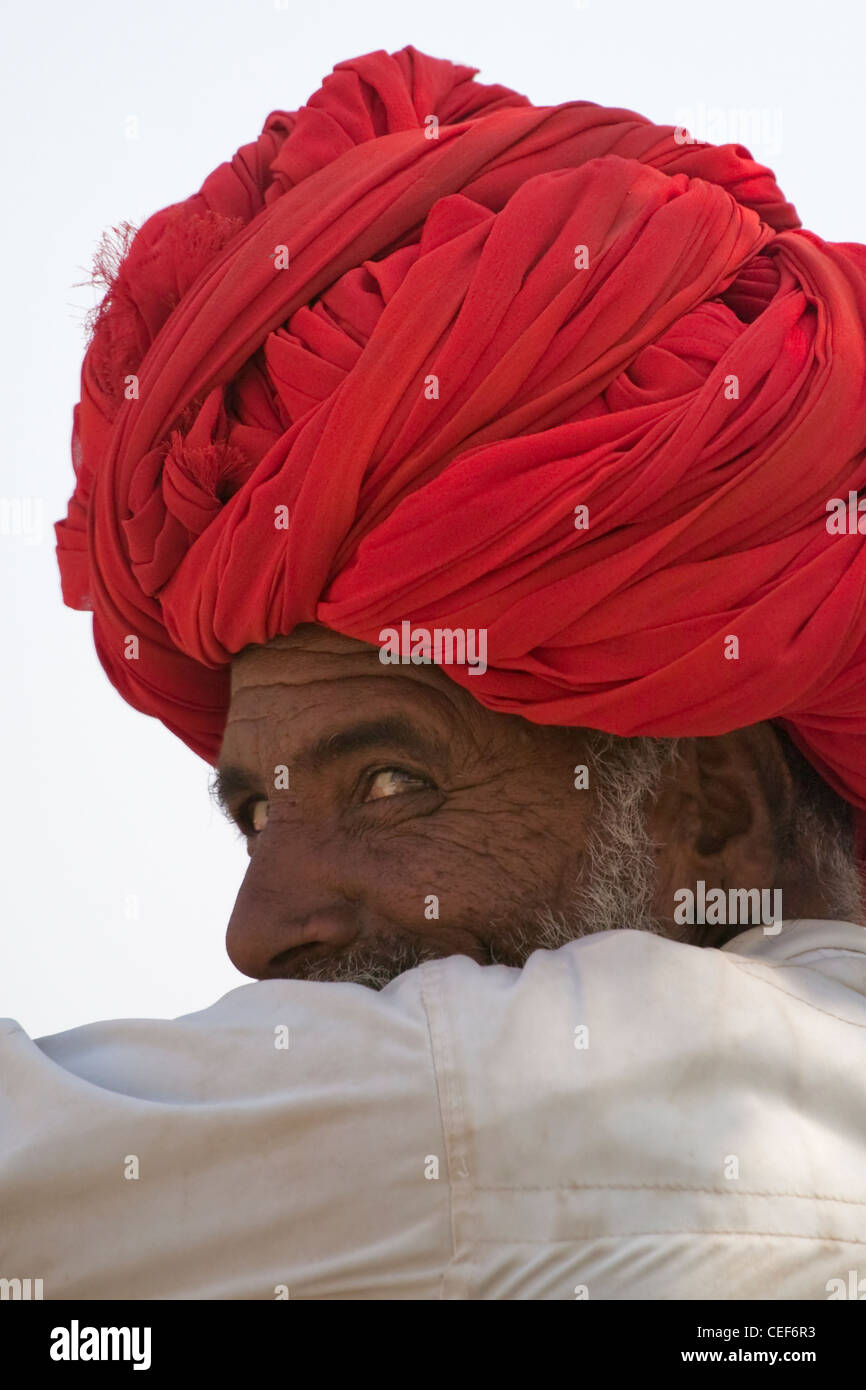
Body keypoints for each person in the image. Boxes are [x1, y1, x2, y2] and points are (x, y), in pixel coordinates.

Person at [3, 44, 866, 1301]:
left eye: (392, 781)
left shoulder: (561, 1099)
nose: (254, 933)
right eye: (255, 813)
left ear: (715, 810)